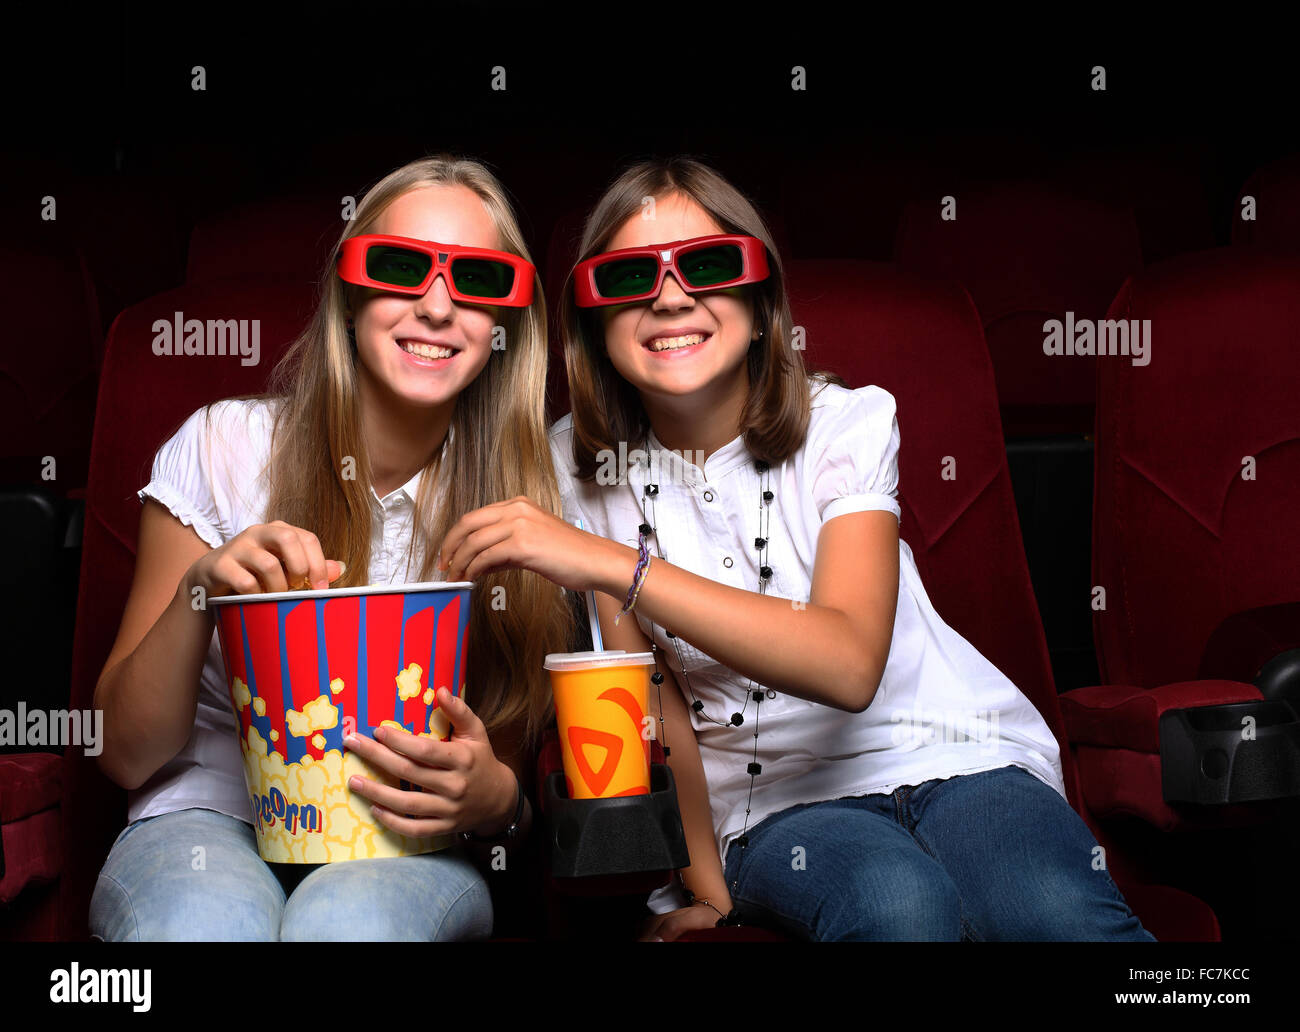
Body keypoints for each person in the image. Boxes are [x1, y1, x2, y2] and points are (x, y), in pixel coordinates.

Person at [435, 157, 1155, 942]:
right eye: (629, 278)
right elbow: (652, 705)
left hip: (956, 756)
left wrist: (615, 564)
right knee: (899, 907)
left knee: (1052, 912)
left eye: (707, 265)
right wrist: (705, 891)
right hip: (771, 804)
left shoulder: (848, 424)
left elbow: (846, 665)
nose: (671, 296)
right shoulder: (578, 471)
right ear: (593, 323)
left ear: (758, 297)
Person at [90, 155, 574, 941]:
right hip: (209, 819)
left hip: (403, 838)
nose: (438, 305)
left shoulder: (528, 501)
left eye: (479, 281)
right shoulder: (223, 444)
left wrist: (498, 803)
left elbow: (513, 779)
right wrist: (200, 594)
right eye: (399, 267)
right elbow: (122, 756)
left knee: (343, 926)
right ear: (348, 296)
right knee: (198, 927)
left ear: (504, 328)